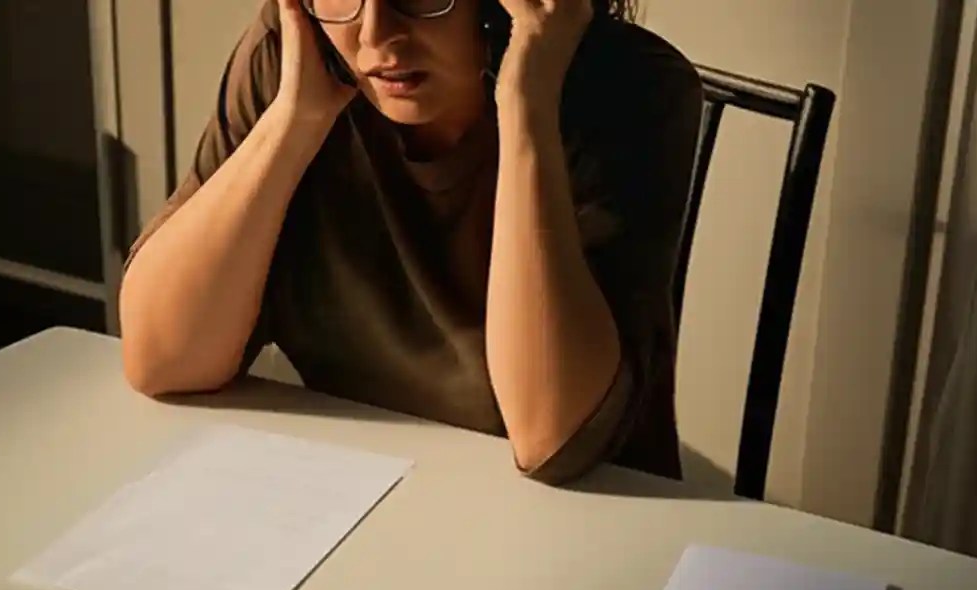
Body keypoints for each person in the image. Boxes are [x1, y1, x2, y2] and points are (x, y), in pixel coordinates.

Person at [118, 0, 703, 484]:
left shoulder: (628, 90)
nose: (376, 34)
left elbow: (552, 438)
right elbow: (161, 359)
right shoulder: (298, 54)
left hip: (588, 525)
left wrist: (527, 103)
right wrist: (294, 117)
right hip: (360, 494)